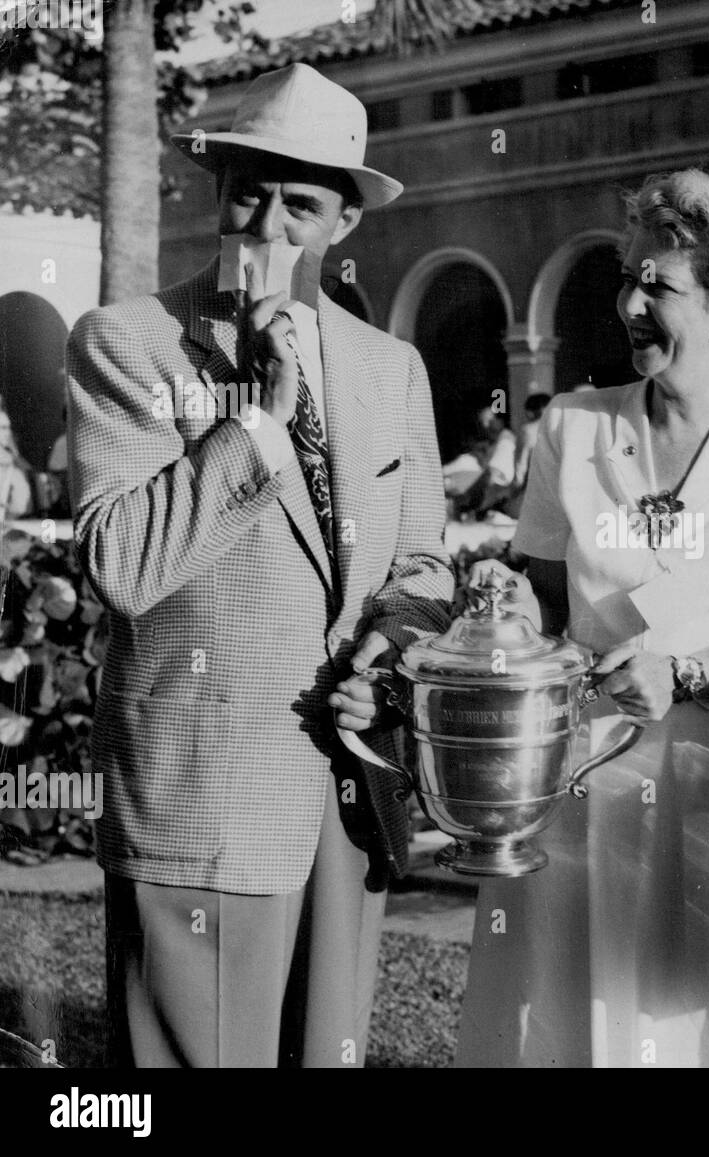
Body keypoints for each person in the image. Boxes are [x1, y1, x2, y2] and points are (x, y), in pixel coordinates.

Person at [66, 63, 455, 1067]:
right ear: (218, 189)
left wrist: (390, 645)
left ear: (343, 224)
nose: (272, 226)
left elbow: (422, 558)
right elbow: (119, 562)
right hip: (202, 794)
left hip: (351, 801)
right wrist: (258, 424)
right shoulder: (128, 345)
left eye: (303, 203)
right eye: (251, 191)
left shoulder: (388, 366)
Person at [455, 169, 709, 1067]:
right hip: (582, 769)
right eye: (627, 278)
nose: (630, 302)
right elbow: (545, 602)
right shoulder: (573, 427)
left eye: (659, 285)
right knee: (565, 1014)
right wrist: (510, 608)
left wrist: (684, 674)